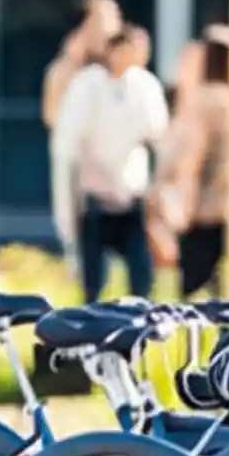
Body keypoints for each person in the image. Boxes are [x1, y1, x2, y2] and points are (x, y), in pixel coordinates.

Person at [51, 24, 169, 303]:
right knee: (93, 279)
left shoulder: (144, 85)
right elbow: (69, 139)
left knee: (140, 275)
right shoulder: (87, 85)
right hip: (95, 191)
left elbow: (157, 130)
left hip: (131, 192)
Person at [167, 26, 229, 297]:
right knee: (224, 295)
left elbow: (192, 159)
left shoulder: (203, 102)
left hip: (202, 211)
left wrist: (184, 207)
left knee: (192, 294)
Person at [41, 0, 123, 131]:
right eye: (109, 17)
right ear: (87, 22)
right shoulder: (64, 69)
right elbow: (52, 116)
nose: (116, 25)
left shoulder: (120, 61)